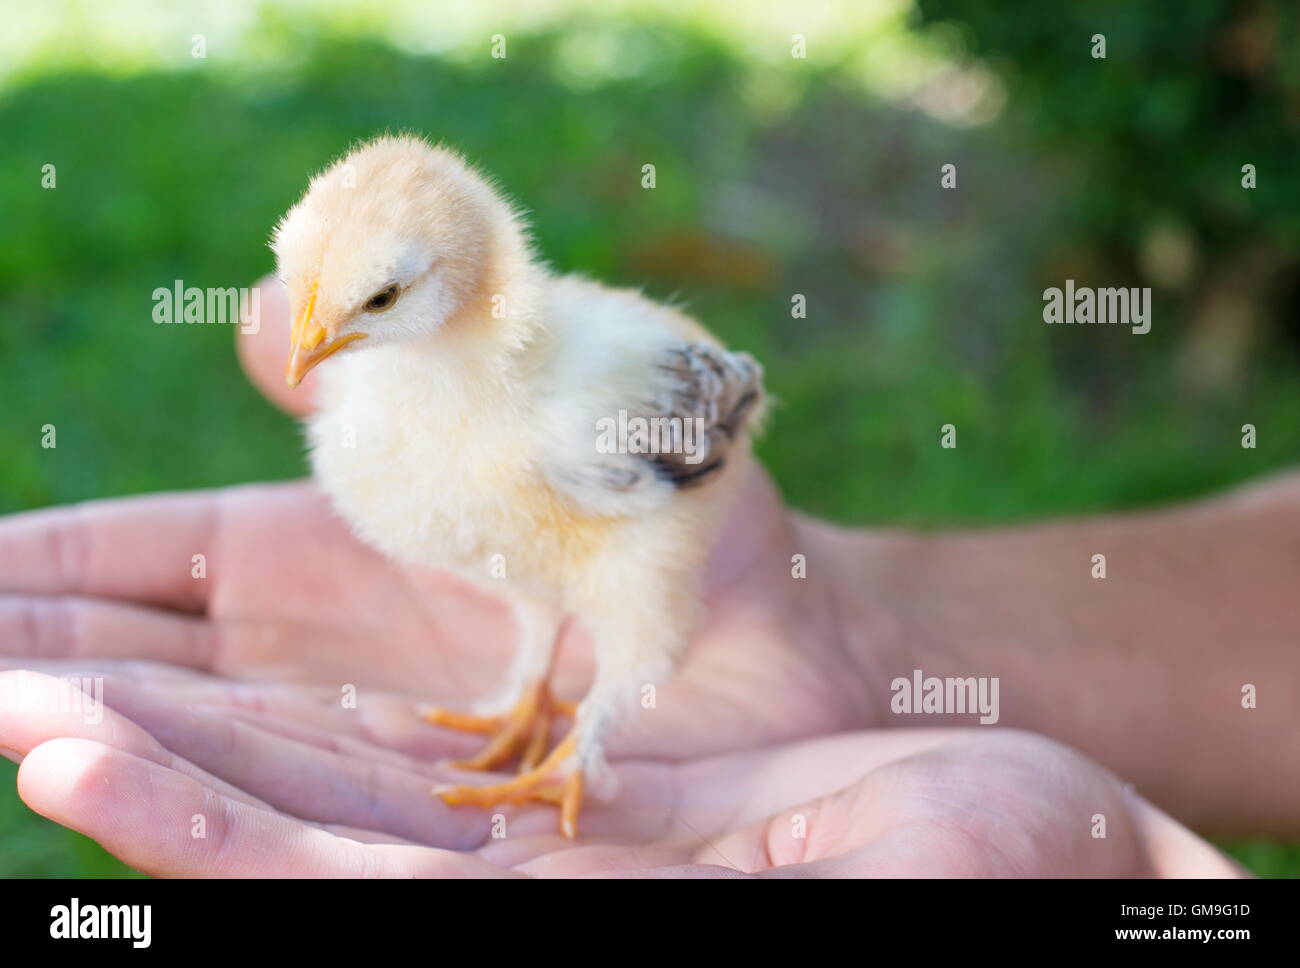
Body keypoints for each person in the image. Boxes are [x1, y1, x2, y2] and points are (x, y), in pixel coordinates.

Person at [1, 278, 1279, 877]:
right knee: (536, 564)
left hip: (632, 458)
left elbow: (698, 410)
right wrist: (850, 626)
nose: (323, 341)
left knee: (596, 563)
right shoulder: (391, 397)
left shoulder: (568, 414)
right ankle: (526, 699)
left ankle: (581, 737)